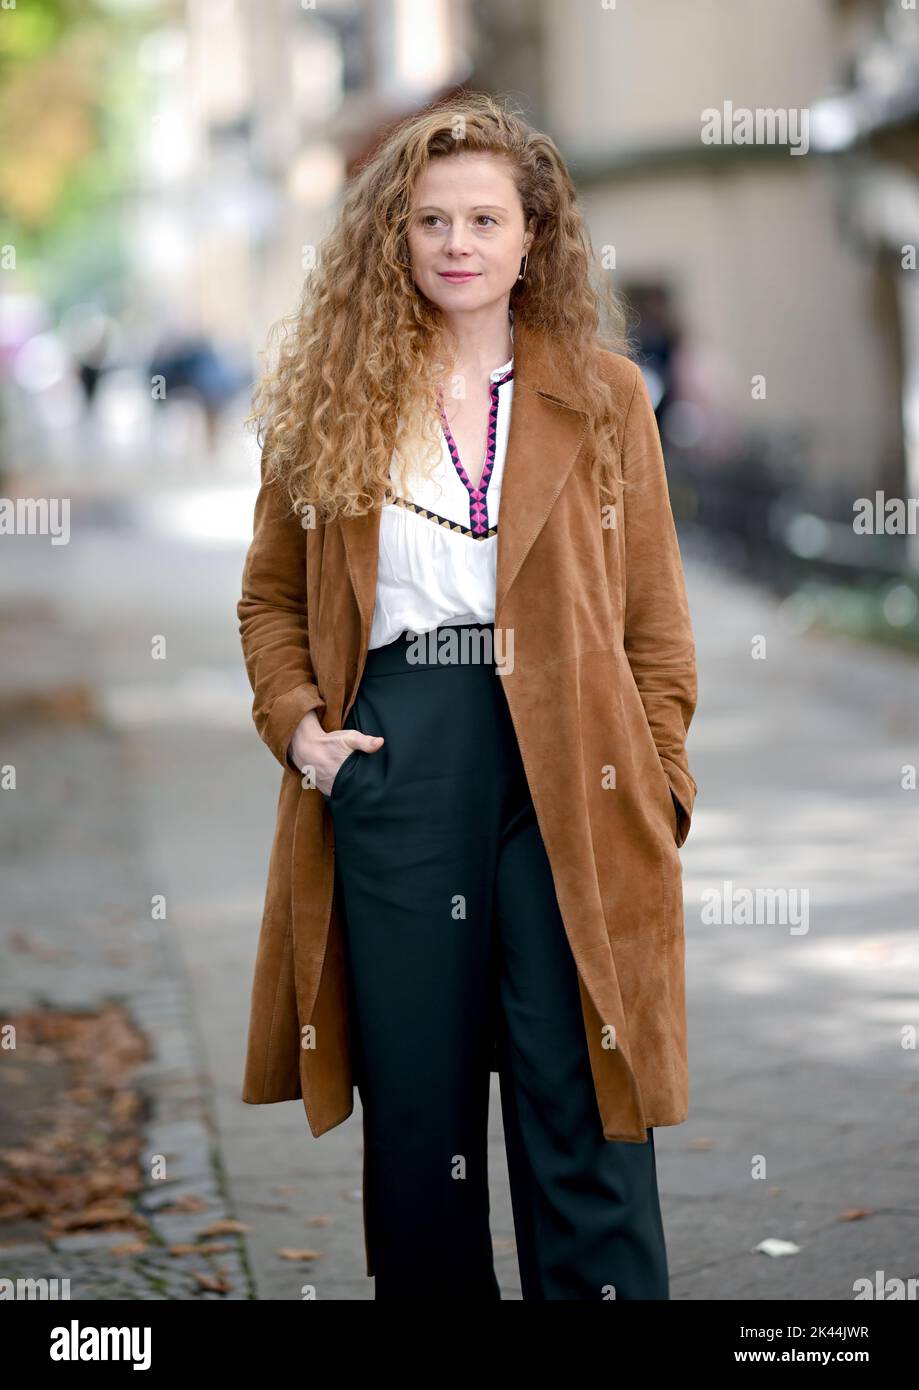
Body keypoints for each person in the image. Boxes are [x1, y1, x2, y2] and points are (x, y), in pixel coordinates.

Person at [238, 92, 699, 1301]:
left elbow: (653, 617)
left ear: (531, 238)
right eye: (430, 220)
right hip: (398, 749)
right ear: (393, 238)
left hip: (576, 754)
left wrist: (660, 780)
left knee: (582, 1079)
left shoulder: (603, 395)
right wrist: (301, 732)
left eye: (484, 219)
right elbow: (270, 602)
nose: (456, 243)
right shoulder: (331, 405)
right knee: (420, 1109)